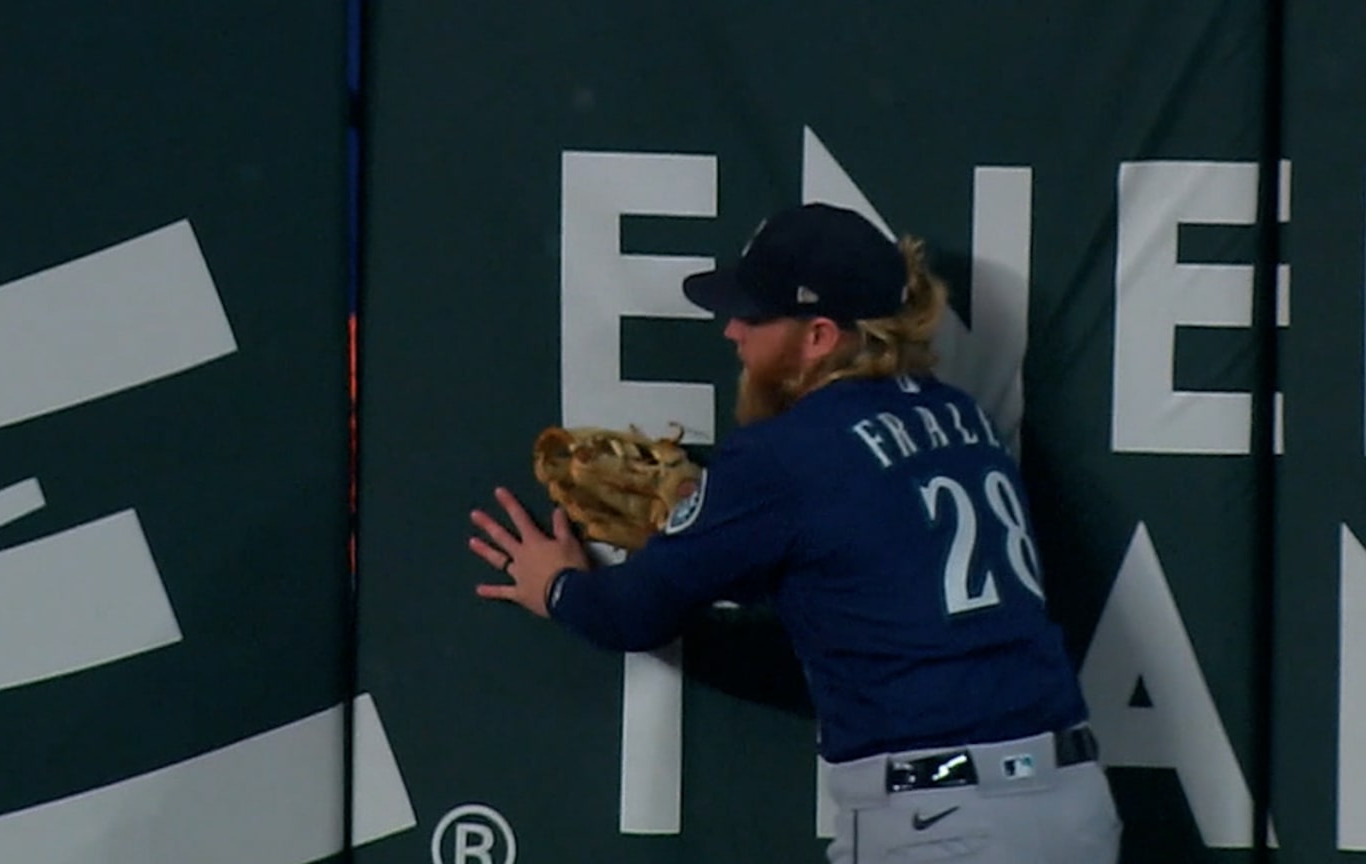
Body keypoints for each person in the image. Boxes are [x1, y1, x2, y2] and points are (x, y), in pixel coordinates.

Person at [467, 202, 1121, 863]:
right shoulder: (961, 416)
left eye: (754, 316)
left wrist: (557, 585)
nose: (732, 331)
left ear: (819, 337)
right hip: (1072, 807)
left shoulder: (784, 456)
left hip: (946, 823)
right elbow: (856, 573)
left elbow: (631, 614)